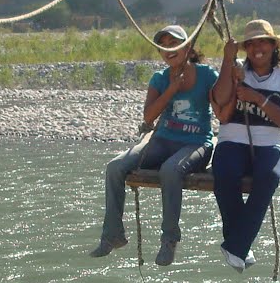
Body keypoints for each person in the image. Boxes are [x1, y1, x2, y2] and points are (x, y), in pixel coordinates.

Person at [90, 24, 219, 266]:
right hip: (162, 140)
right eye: (164, 46)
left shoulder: (206, 75)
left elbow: (223, 106)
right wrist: (171, 89)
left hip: (196, 143)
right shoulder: (160, 78)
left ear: (187, 47)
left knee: (170, 170)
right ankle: (113, 235)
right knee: (115, 167)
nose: (169, 50)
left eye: (174, 44)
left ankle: (169, 240)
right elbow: (149, 117)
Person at [209, 17, 280, 271]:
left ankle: (236, 246)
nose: (258, 49)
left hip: (272, 144)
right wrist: (227, 60)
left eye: (263, 43)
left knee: (268, 177)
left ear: (273, 46)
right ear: (245, 48)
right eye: (251, 44)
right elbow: (219, 98)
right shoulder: (236, 70)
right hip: (233, 139)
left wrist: (257, 99)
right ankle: (240, 246)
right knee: (224, 173)